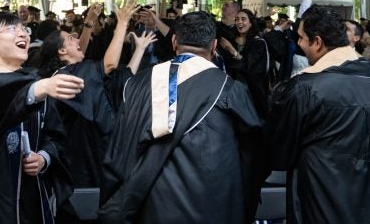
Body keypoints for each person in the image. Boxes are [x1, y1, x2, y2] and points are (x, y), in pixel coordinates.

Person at [100, 11, 262, 224]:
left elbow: (118, 149)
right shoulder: (231, 90)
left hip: (150, 208)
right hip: (213, 208)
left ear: (174, 41)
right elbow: (251, 158)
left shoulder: (136, 85)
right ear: (214, 46)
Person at [265, 6, 370, 224]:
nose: (299, 44)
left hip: (323, 208)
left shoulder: (304, 89)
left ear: (317, 42)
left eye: (301, 38)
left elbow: (279, 153)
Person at [0, 12, 81, 224]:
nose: (22, 33)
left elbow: (56, 138)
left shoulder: (36, 84)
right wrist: (35, 90)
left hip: (34, 195)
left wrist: (43, 158)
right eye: (11, 29)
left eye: (24, 29)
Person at [30, 0, 153, 188]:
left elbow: (124, 78)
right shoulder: (65, 76)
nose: (77, 40)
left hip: (95, 158)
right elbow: (110, 64)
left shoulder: (81, 73)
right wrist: (121, 23)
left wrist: (140, 50)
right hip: (81, 164)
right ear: (62, 51)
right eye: (71, 39)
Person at [218, 7, 271, 116]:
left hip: (251, 90)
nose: (239, 22)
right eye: (237, 19)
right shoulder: (232, 40)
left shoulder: (258, 43)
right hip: (232, 89)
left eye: (243, 19)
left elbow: (250, 67)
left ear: (251, 23)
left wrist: (233, 51)